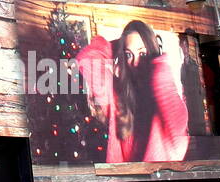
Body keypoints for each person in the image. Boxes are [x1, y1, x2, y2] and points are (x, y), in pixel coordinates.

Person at [75, 18, 190, 163]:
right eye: (129, 55)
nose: (135, 63)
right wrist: (120, 45)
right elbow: (87, 58)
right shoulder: (118, 96)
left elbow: (164, 88)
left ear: (154, 52)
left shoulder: (170, 100)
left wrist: (157, 61)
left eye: (142, 54)